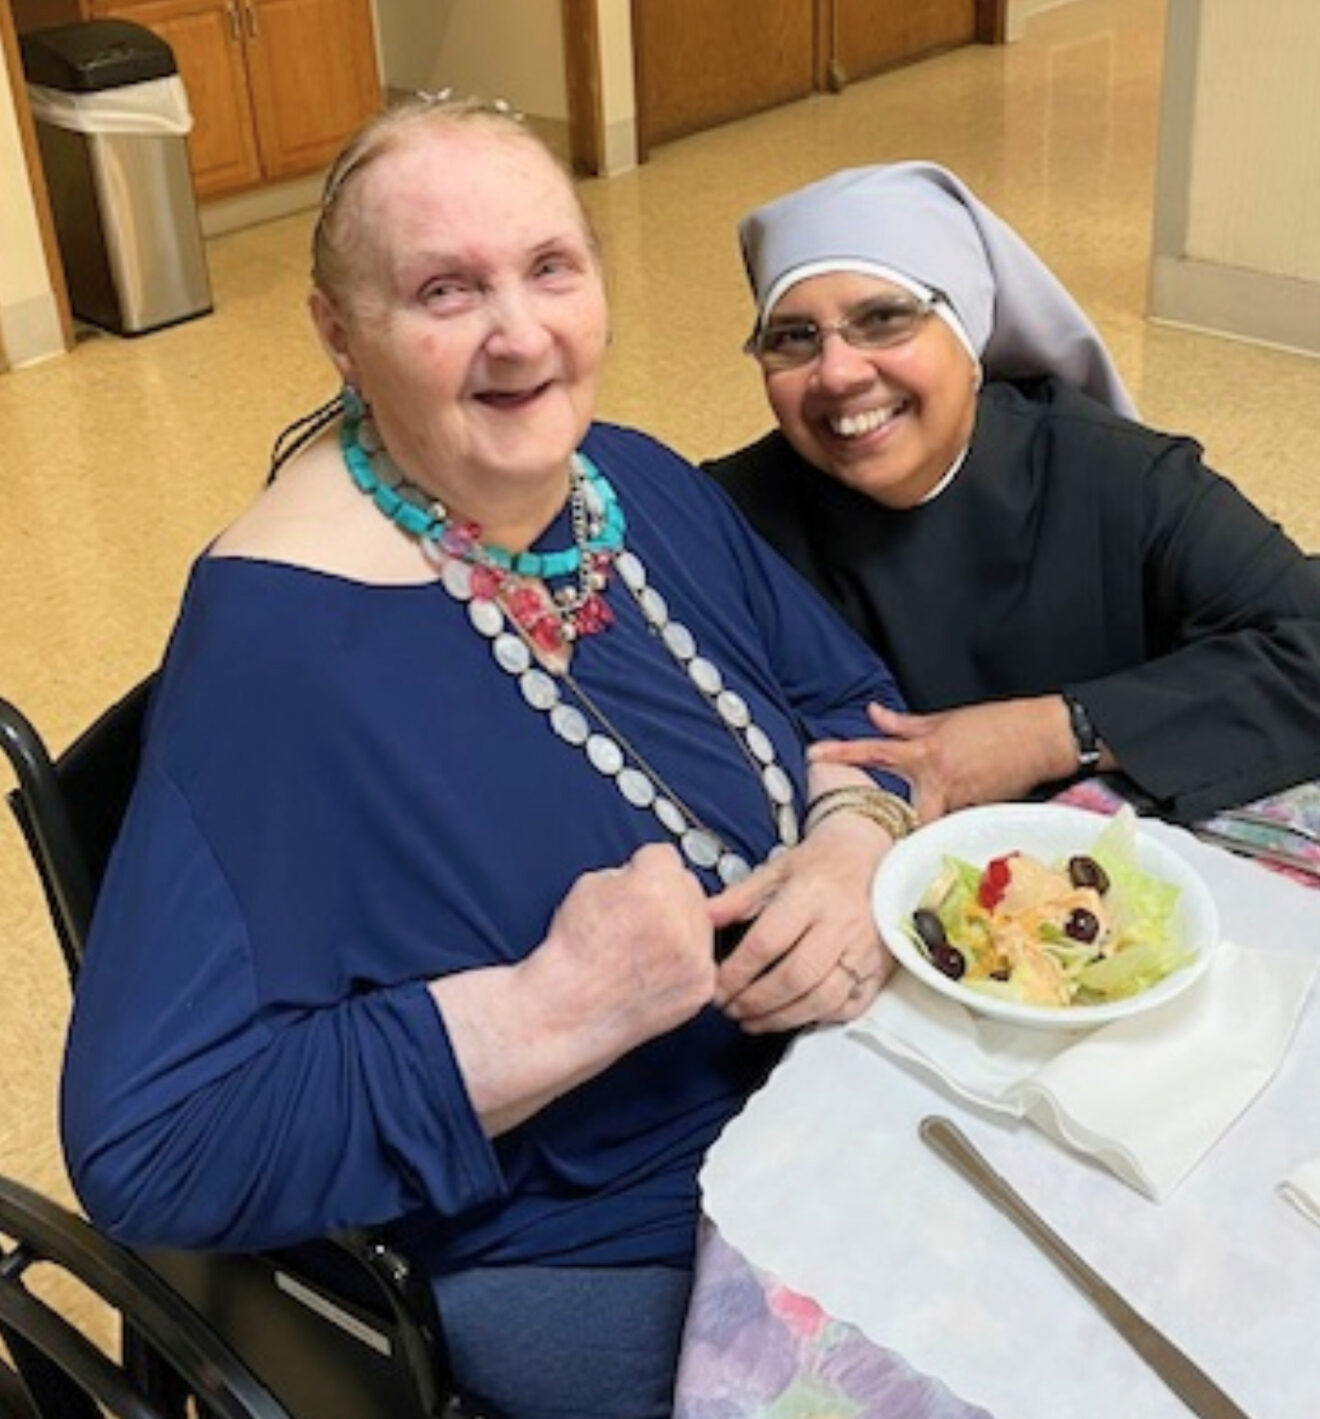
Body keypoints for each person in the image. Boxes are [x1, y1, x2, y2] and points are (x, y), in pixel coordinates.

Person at [59, 98, 917, 1419]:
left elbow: (848, 696)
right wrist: (554, 1007)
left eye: (550, 267)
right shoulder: (278, 642)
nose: (520, 336)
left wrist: (854, 842)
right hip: (607, 1229)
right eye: (445, 290)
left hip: (832, 1091)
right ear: (338, 334)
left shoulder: (628, 480)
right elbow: (152, 1143)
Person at [706, 161, 1320, 825]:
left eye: (883, 319)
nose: (838, 372)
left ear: (969, 336)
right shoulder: (726, 516)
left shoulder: (1116, 476)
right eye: (793, 338)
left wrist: (1055, 732)